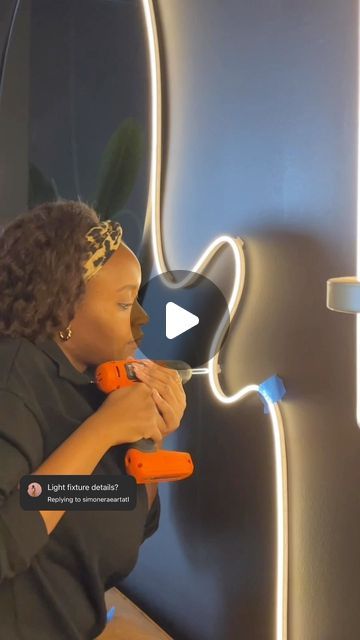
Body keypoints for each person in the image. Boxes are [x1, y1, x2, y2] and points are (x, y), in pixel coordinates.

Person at [0, 200, 186, 639]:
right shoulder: (14, 377)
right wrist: (103, 430)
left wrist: (147, 435)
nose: (141, 321)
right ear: (65, 310)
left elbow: (117, 511)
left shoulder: (87, 386)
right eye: (124, 304)